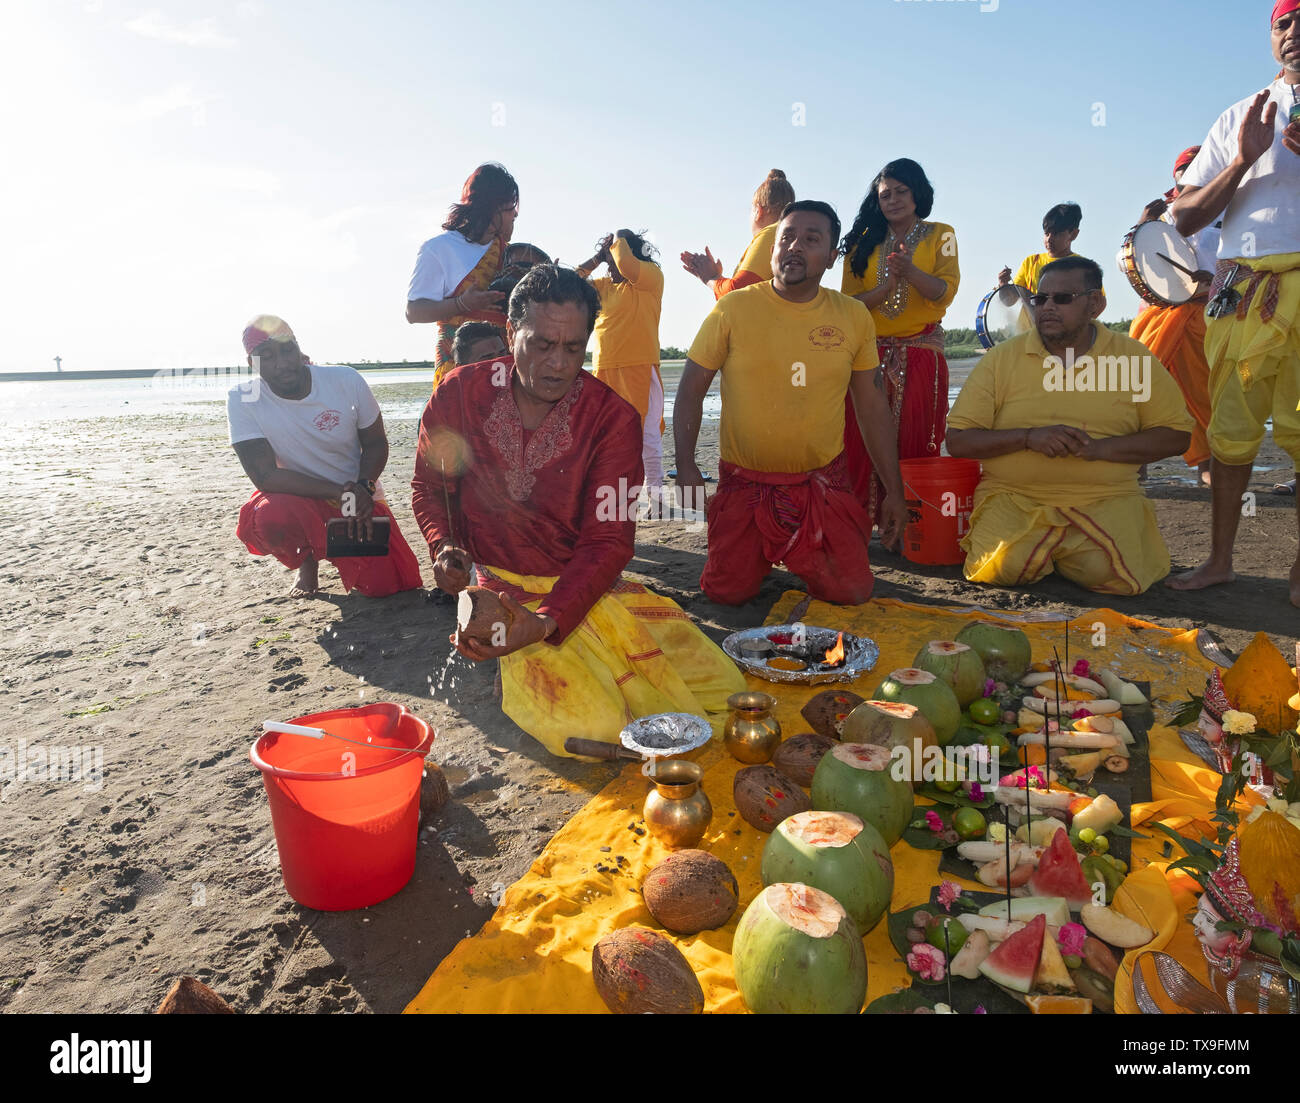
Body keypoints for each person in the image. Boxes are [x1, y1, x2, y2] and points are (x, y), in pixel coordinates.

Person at [411, 266, 744, 757]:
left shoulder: (612, 419)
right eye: (542, 345)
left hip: (581, 589)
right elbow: (428, 488)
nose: (557, 365)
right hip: (499, 592)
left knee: (721, 689)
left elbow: (608, 542)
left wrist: (545, 622)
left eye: (573, 348)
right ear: (510, 333)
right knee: (601, 722)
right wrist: (444, 548)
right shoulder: (458, 395)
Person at [674, 201, 907, 607]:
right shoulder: (733, 308)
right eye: (787, 237)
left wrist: (894, 490)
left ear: (832, 257)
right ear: (773, 247)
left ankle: (808, 556)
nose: (794, 247)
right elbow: (692, 388)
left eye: (811, 239)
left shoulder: (852, 317)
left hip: (821, 485)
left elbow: (872, 409)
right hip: (744, 485)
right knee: (726, 593)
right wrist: (688, 465)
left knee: (850, 592)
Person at [946, 258, 1193, 595]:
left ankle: (1057, 554)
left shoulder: (1132, 358)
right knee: (1003, 570)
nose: (1047, 307)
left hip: (1107, 498)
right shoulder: (1001, 359)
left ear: (1095, 303)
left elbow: (1176, 435)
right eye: (1040, 299)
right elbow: (959, 441)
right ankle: (1049, 553)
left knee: (1115, 579)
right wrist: (1028, 438)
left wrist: (1099, 449)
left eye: (1062, 298)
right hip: (1015, 498)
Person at [1166, 0, 1300, 607]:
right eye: (1284, 23)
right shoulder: (1238, 116)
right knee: (1230, 434)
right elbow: (1186, 216)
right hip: (1245, 292)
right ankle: (1219, 559)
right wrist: (1245, 159)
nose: (1294, 33)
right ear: (1271, 36)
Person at [229, 315, 423, 598]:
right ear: (251, 363)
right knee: (271, 517)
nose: (281, 363)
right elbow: (265, 476)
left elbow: (376, 443)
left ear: (298, 347)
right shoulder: (243, 397)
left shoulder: (344, 379)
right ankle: (306, 562)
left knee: (389, 586)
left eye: (287, 349)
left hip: (358, 496)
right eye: (266, 356)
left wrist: (363, 487)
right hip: (299, 497)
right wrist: (340, 492)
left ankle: (339, 546)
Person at [840, 158, 960, 516]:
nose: (892, 200)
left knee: (917, 441)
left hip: (920, 355)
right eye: (884, 194)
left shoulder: (944, 235)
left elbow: (944, 292)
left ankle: (911, 526)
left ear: (917, 193)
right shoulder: (862, 242)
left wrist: (910, 272)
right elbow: (848, 306)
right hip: (867, 357)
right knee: (859, 443)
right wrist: (886, 287)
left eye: (901, 191)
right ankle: (861, 522)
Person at [1127, 147, 1220, 486]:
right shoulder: (1162, 216)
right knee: (1139, 390)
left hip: (1206, 314)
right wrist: (1143, 224)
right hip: (1157, 315)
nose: (1188, 181)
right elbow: (1140, 261)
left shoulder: (1227, 208)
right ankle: (1137, 463)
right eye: (1183, 175)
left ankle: (1207, 464)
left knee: (1202, 395)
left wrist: (1212, 283)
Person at [406, 163, 518, 388]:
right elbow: (414, 312)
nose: (515, 214)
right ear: (489, 208)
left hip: (503, 364)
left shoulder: (511, 254)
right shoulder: (439, 248)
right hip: (457, 360)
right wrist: (462, 304)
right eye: (508, 208)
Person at [576, 230, 667, 495]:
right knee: (607, 436)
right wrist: (596, 258)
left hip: (640, 366)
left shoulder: (650, 278)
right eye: (609, 257)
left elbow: (627, 263)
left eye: (613, 254)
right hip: (604, 369)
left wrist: (617, 237)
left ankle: (656, 494)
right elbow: (570, 281)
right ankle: (613, 494)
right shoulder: (603, 286)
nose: (612, 263)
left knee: (646, 435)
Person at [680, 169, 796, 298]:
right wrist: (719, 278)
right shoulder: (790, 234)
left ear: (758, 211)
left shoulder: (772, 233)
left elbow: (739, 292)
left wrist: (711, 278)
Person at [997, 202, 1090, 295]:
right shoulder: (1031, 262)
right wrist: (1003, 285)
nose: (1049, 239)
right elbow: (1011, 301)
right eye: (1047, 234)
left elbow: (1098, 301)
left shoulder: (1083, 267)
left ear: (1073, 234)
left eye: (1056, 234)